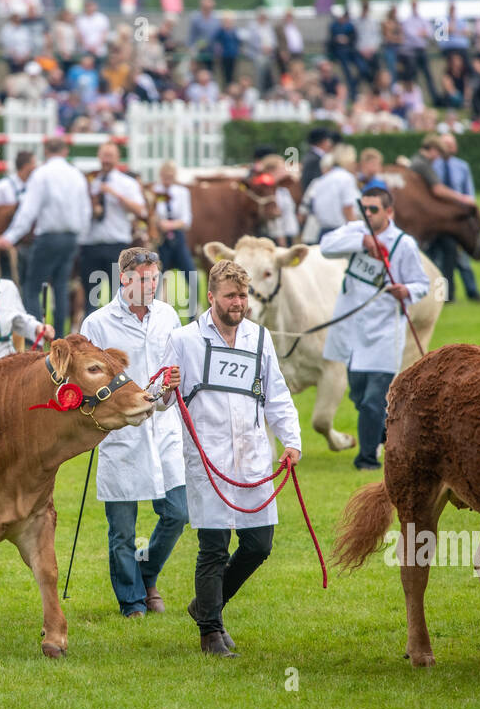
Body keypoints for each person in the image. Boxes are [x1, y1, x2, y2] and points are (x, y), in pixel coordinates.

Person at [157, 259, 301, 656]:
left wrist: (291, 441)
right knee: (214, 545)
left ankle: (206, 604)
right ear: (211, 297)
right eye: (230, 296)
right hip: (210, 457)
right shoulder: (184, 339)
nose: (238, 303)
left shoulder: (259, 337)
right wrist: (165, 387)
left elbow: (277, 394)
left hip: (253, 455)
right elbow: (161, 400)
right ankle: (210, 631)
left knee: (259, 544)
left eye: (243, 295)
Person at [80, 248, 187, 617]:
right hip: (120, 432)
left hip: (164, 427)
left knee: (177, 513)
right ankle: (131, 601)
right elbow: (84, 377)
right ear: (123, 278)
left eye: (155, 278)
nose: (151, 285)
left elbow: (176, 366)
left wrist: (174, 382)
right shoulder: (97, 323)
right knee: (122, 530)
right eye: (143, 278)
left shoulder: (169, 316)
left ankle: (147, 573)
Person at [320, 185, 429, 471]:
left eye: (373, 209)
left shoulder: (403, 243)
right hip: (352, 331)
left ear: (389, 212)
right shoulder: (355, 231)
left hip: (384, 332)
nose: (367, 214)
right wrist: (363, 241)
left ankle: (367, 459)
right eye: (364, 208)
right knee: (358, 395)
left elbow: (422, 283)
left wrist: (406, 290)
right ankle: (386, 433)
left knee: (371, 401)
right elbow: (325, 246)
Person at [0, 137, 91, 337]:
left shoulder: (41, 174)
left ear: (46, 152)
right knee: (61, 288)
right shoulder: (76, 175)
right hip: (71, 237)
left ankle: (36, 338)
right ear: (65, 151)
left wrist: (10, 237)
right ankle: (59, 338)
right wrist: (80, 237)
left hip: (48, 237)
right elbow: (86, 210)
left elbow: (28, 210)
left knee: (32, 288)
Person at [79, 142, 146, 316]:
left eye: (110, 156)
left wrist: (115, 195)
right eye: (104, 156)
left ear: (117, 158)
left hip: (116, 245)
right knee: (91, 297)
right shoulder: (89, 182)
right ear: (99, 157)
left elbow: (140, 210)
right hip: (91, 244)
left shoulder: (126, 183)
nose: (106, 160)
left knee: (119, 295)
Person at [435, 134, 480, 302]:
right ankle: (443, 296)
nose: (449, 147)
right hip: (440, 219)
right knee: (439, 259)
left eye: (451, 144)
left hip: (459, 219)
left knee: (463, 258)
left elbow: (469, 193)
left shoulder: (462, 166)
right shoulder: (432, 166)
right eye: (445, 144)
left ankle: (473, 292)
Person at [0, 149, 36, 281]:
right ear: (26, 166)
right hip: (7, 247)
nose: (36, 167)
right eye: (34, 164)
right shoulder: (2, 187)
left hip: (29, 243)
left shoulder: (35, 186)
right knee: (8, 280)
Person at [306, 142, 360, 240]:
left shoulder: (322, 179)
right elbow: (348, 208)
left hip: (323, 232)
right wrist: (357, 231)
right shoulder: (346, 178)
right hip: (342, 232)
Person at [153, 159, 195, 276]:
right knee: (157, 275)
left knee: (191, 273)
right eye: (165, 176)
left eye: (170, 176)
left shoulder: (182, 192)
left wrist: (170, 225)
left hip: (178, 237)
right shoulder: (154, 191)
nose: (167, 179)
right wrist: (160, 224)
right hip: (160, 239)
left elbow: (187, 219)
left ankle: (193, 295)